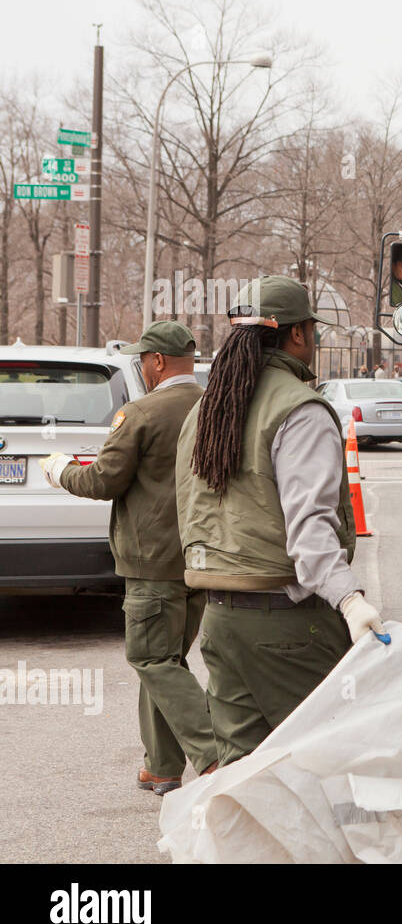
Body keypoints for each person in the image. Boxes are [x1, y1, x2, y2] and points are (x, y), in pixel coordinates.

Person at [175, 275, 387, 766]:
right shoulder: (300, 411)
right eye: (311, 329)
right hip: (288, 622)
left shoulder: (208, 410)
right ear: (298, 334)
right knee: (335, 761)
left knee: (245, 774)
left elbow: (187, 506)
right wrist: (350, 600)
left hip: (221, 618)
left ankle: (242, 846)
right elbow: (309, 525)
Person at [41, 321, 217, 794]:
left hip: (150, 560)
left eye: (143, 359)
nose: (141, 365)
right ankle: (161, 766)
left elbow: (103, 481)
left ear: (156, 362)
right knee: (167, 659)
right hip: (200, 556)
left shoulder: (143, 411)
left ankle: (216, 753)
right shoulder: (214, 407)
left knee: (151, 658)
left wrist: (60, 472)